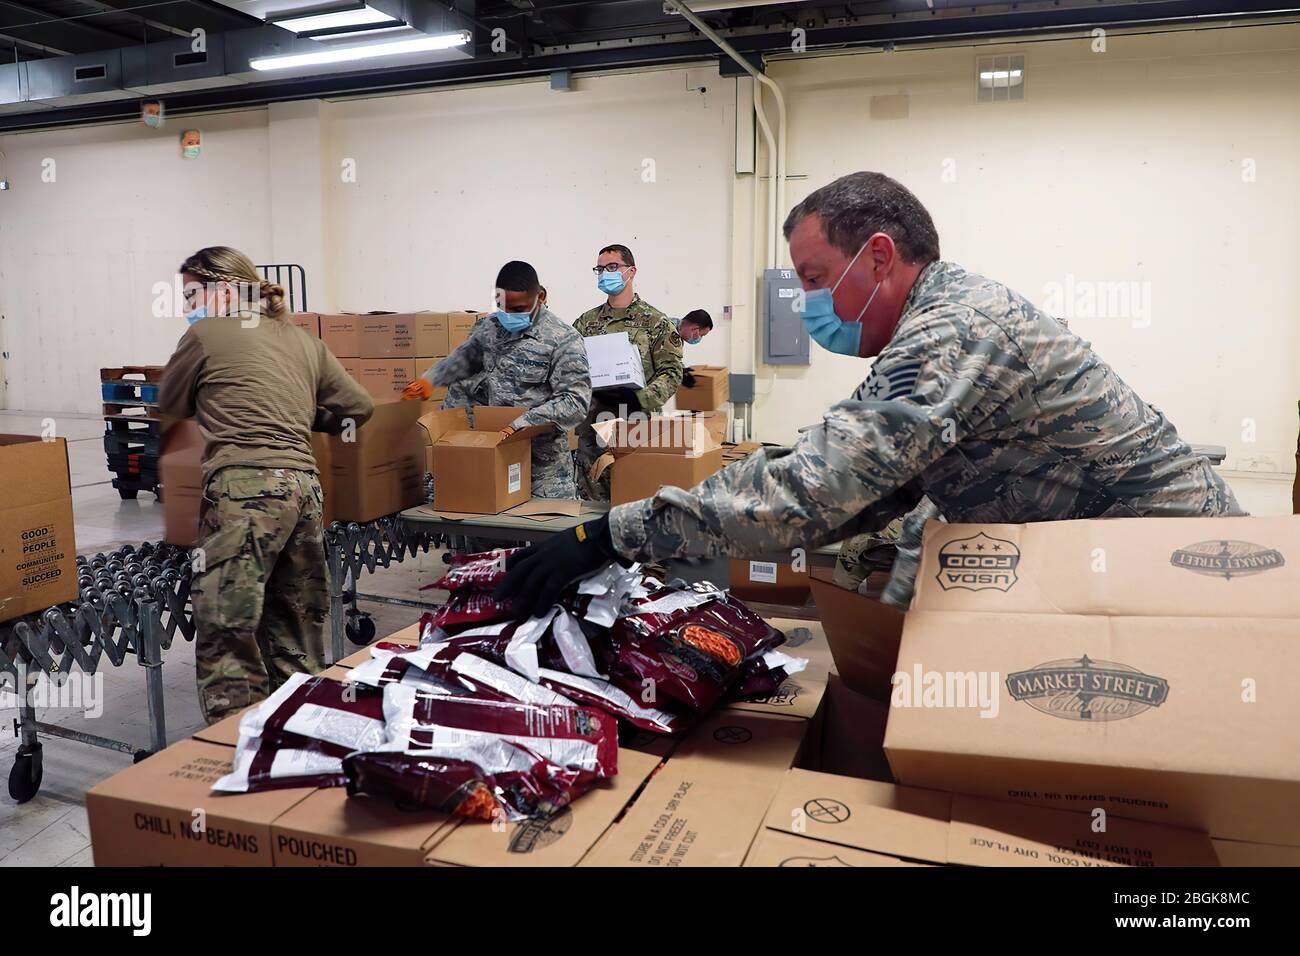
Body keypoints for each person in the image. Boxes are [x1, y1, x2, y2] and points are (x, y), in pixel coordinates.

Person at [497, 171, 1243, 617]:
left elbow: (810, 495)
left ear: (878, 257)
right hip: (1135, 570)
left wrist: (609, 534)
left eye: (815, 279)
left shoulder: (953, 330)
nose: (808, 303)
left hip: (1187, 580)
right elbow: (869, 490)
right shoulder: (947, 318)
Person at [158, 246, 374, 723]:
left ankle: (238, 748)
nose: (187, 306)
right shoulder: (303, 343)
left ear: (227, 290)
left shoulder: (205, 336)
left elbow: (171, 404)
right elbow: (359, 407)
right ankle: (301, 738)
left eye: (193, 294)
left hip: (243, 493)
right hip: (304, 494)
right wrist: (300, 415)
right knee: (297, 629)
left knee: (227, 630)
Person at [401, 260, 590, 499]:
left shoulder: (563, 339)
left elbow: (575, 402)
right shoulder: (490, 327)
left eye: (519, 308)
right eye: (504, 308)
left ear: (540, 297)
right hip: (493, 455)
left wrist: (522, 422)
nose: (509, 316)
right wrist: (430, 380)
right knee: (487, 532)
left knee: (548, 532)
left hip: (543, 467)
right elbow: (464, 358)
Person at [574, 244, 683, 500]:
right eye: (599, 269)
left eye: (612, 267)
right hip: (593, 435)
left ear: (631, 271)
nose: (604, 274)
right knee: (592, 516)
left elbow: (672, 372)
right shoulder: (585, 323)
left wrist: (639, 398)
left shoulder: (656, 322)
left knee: (636, 507)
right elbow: (570, 369)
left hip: (637, 430)